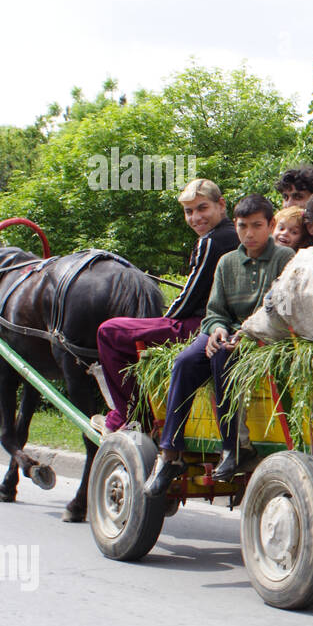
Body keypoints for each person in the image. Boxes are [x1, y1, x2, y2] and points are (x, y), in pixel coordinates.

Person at [145, 195, 295, 495]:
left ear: (270, 226)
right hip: (226, 332)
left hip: (263, 335)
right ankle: (170, 453)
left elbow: (282, 307)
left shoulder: (284, 258)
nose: (249, 234)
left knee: (222, 358)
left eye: (256, 226)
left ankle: (233, 448)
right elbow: (215, 310)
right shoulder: (227, 262)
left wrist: (245, 334)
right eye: (242, 226)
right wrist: (215, 330)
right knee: (186, 362)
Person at [92, 179, 239, 435]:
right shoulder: (239, 234)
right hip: (226, 324)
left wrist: (164, 320)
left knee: (109, 331)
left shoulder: (211, 241)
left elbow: (189, 296)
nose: (195, 217)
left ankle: (129, 416)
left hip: (200, 325)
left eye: (202, 208)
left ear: (221, 205)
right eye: (189, 211)